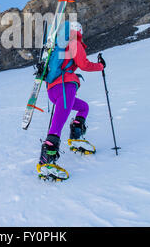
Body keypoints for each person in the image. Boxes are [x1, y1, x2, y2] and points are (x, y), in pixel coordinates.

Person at [39, 21, 105, 166]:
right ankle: (46, 159)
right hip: (66, 85)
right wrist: (100, 66)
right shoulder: (74, 42)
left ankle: (75, 138)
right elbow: (84, 64)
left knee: (83, 107)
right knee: (57, 124)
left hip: (53, 90)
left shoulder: (57, 45)